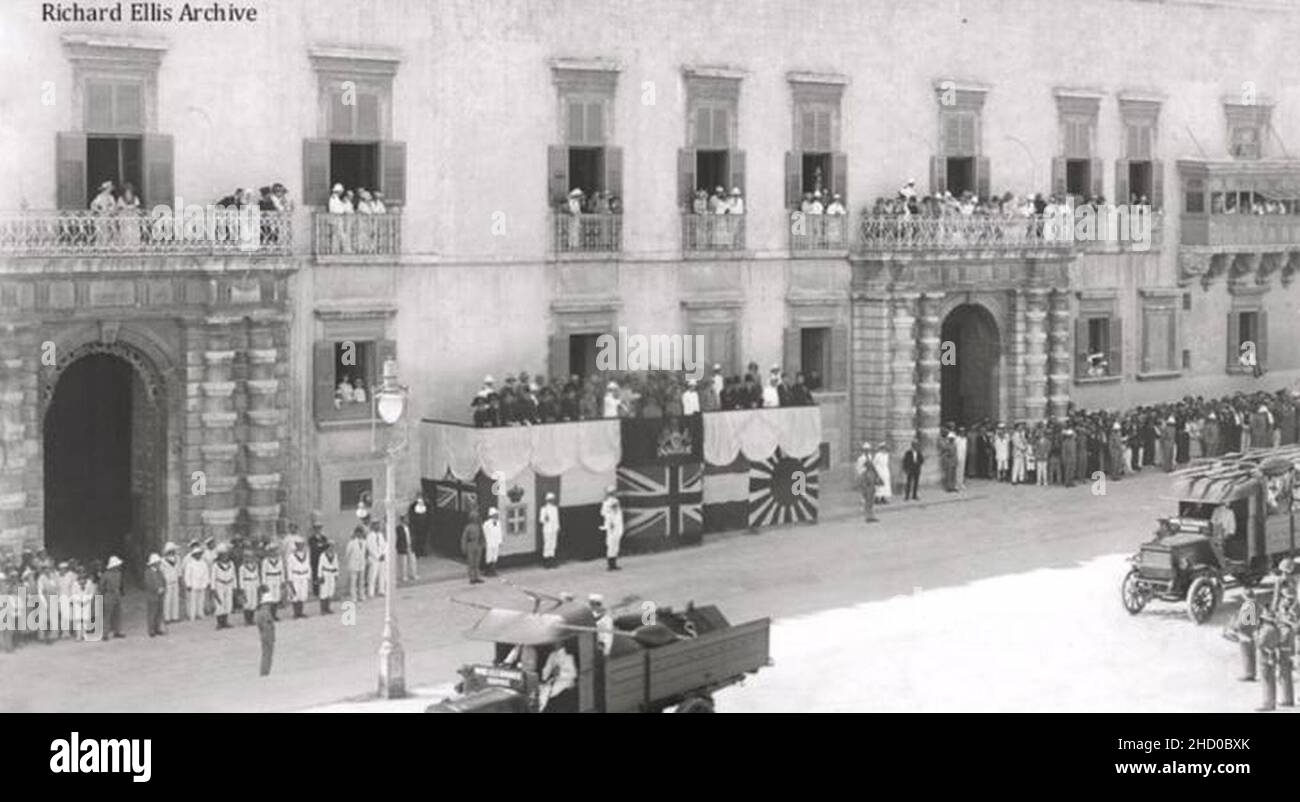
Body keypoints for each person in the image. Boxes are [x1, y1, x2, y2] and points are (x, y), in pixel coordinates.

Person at [539, 644, 578, 712]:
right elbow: (546, 670)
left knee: (547, 690)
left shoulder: (568, 657)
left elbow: (573, 674)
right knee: (541, 688)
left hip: (565, 681)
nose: (556, 645)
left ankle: (540, 708)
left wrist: (560, 672)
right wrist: (547, 674)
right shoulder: (552, 655)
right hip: (552, 680)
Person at [1232, 588, 1259, 682]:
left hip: (1245, 631)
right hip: (1252, 630)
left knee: (1246, 653)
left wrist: (1235, 626)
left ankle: (1248, 673)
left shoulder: (1248, 605)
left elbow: (1243, 621)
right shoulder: (1256, 604)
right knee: (1251, 653)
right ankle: (1252, 672)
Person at [1256, 607, 1280, 711]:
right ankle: (1272, 702)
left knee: (1266, 680)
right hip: (1273, 654)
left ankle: (1267, 703)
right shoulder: (1276, 629)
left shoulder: (1265, 630)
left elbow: (1260, 643)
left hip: (1265, 655)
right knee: (1271, 680)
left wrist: (1256, 635)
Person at [183, 542, 210, 622]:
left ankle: (200, 613)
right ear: (194, 555)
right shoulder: (190, 564)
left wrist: (206, 583)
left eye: (199, 554)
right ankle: (192, 615)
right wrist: (188, 584)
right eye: (196, 554)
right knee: (192, 601)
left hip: (201, 584)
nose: (198, 555)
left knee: (201, 600)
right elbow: (187, 575)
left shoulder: (203, 563)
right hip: (193, 584)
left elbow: (206, 574)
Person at [211, 546, 237, 629]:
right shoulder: (215, 565)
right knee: (219, 602)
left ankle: (225, 621)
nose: (225, 557)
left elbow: (234, 575)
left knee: (228, 602)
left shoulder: (231, 564)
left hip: (229, 584)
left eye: (226, 555)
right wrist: (213, 588)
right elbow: (213, 577)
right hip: (220, 584)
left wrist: (234, 586)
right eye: (223, 555)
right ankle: (219, 622)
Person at [101, 555, 125, 639]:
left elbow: (121, 585)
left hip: (117, 594)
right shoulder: (106, 574)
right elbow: (102, 586)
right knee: (107, 614)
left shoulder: (119, 574)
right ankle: (105, 633)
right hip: (109, 594)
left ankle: (117, 631)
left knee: (118, 613)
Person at [286, 539, 312, 619]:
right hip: (295, 576)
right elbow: (289, 568)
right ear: (296, 545)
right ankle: (296, 613)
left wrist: (309, 576)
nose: (300, 546)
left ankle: (301, 612)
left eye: (302, 545)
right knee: (295, 594)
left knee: (302, 594)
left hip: (304, 576)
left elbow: (308, 565)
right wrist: (290, 579)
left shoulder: (306, 555)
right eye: (299, 545)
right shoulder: (291, 556)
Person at [855, 442, 880, 523]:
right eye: (866, 450)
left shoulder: (869, 457)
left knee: (871, 498)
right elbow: (859, 470)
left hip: (871, 479)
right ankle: (868, 516)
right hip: (865, 479)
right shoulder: (861, 459)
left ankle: (871, 515)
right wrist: (864, 473)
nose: (867, 451)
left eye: (868, 450)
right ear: (863, 450)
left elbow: (873, 468)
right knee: (867, 498)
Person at [600, 487, 624, 570]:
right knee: (613, 544)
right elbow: (612, 514)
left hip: (613, 525)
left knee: (612, 544)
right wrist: (611, 522)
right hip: (614, 525)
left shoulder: (606, 502)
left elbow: (603, 513)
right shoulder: (613, 501)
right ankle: (611, 564)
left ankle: (612, 563)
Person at [255, 587, 276, 677]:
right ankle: (265, 672)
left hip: (263, 635)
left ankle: (265, 671)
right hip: (267, 636)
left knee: (266, 654)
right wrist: (271, 638)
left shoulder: (259, 612)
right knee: (267, 655)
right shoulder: (266, 613)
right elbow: (268, 625)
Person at [143, 554, 166, 637]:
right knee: (152, 613)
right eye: (158, 562)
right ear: (153, 563)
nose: (159, 564)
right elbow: (148, 584)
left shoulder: (159, 572)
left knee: (159, 612)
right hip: (152, 595)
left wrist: (163, 588)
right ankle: (151, 630)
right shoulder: (148, 572)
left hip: (160, 595)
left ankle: (157, 628)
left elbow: (163, 581)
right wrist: (157, 589)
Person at [260, 544, 284, 621]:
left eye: (274, 551)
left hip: (277, 578)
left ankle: (274, 614)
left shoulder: (279, 560)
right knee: (269, 598)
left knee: (276, 597)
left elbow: (282, 571)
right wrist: (264, 583)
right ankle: (269, 616)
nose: (273, 553)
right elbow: (263, 572)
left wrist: (282, 581)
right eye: (271, 551)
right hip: (269, 579)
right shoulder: (265, 561)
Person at [460, 511, 485, 584]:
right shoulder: (468, 527)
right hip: (470, 545)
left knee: (477, 562)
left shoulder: (479, 526)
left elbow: (482, 535)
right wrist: (463, 547)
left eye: (476, 517)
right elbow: (464, 538)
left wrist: (483, 544)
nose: (476, 518)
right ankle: (472, 578)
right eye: (474, 517)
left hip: (478, 545)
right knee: (471, 563)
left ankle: (477, 577)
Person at [238, 551, 261, 625]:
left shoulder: (255, 566)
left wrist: (258, 585)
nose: (249, 559)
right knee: (247, 602)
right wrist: (242, 588)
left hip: (253, 583)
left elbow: (257, 576)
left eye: (251, 557)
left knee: (253, 602)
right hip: (246, 583)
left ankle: (251, 619)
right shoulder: (242, 567)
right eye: (247, 557)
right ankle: (247, 620)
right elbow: (241, 578)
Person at [539, 491, 561, 568]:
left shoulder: (555, 508)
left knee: (553, 544)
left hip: (554, 529)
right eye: (550, 499)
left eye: (552, 499)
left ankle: (552, 560)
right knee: (547, 544)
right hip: (547, 529)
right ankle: (546, 561)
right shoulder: (543, 509)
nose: (552, 501)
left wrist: (558, 527)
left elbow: (557, 519)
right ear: (547, 500)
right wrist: (545, 519)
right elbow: (541, 520)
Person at [345, 526, 368, 600]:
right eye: (358, 533)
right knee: (353, 582)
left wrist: (364, 561)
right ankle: (353, 597)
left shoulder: (364, 542)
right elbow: (347, 554)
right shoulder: (351, 543)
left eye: (361, 532)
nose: (360, 534)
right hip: (353, 564)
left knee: (361, 581)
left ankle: (361, 595)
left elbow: (364, 553)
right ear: (356, 533)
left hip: (361, 564)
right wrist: (350, 562)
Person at [365, 521, 387, 597]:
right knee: (372, 576)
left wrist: (383, 554)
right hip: (374, 559)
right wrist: (377, 556)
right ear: (372, 526)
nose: (378, 526)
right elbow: (370, 548)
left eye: (378, 525)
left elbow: (384, 545)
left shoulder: (380, 535)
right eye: (376, 525)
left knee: (382, 575)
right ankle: (371, 592)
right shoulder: (369, 536)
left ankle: (381, 590)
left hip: (382, 558)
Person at [317, 541, 339, 615]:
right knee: (324, 591)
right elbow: (320, 566)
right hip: (325, 574)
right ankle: (322, 609)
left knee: (330, 591)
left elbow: (336, 565)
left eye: (333, 547)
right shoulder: (322, 555)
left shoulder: (334, 555)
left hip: (331, 574)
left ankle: (327, 608)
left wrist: (336, 574)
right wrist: (320, 576)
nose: (331, 548)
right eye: (330, 546)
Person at [396, 513, 419, 582]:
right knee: (403, 562)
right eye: (406, 519)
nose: (408, 520)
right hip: (403, 547)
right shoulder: (398, 528)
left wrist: (413, 544)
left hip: (410, 546)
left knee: (413, 561)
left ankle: (413, 574)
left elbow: (413, 536)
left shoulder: (410, 527)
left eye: (408, 519)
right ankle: (404, 576)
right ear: (402, 520)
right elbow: (399, 538)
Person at [482, 507, 503, 577]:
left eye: (497, 515)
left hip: (496, 542)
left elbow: (499, 532)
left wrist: (500, 541)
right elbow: (485, 533)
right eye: (495, 515)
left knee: (495, 556)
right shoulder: (486, 524)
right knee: (489, 556)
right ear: (491, 515)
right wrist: (486, 541)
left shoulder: (498, 523)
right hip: (489, 542)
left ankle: (493, 569)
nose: (496, 516)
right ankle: (488, 570)